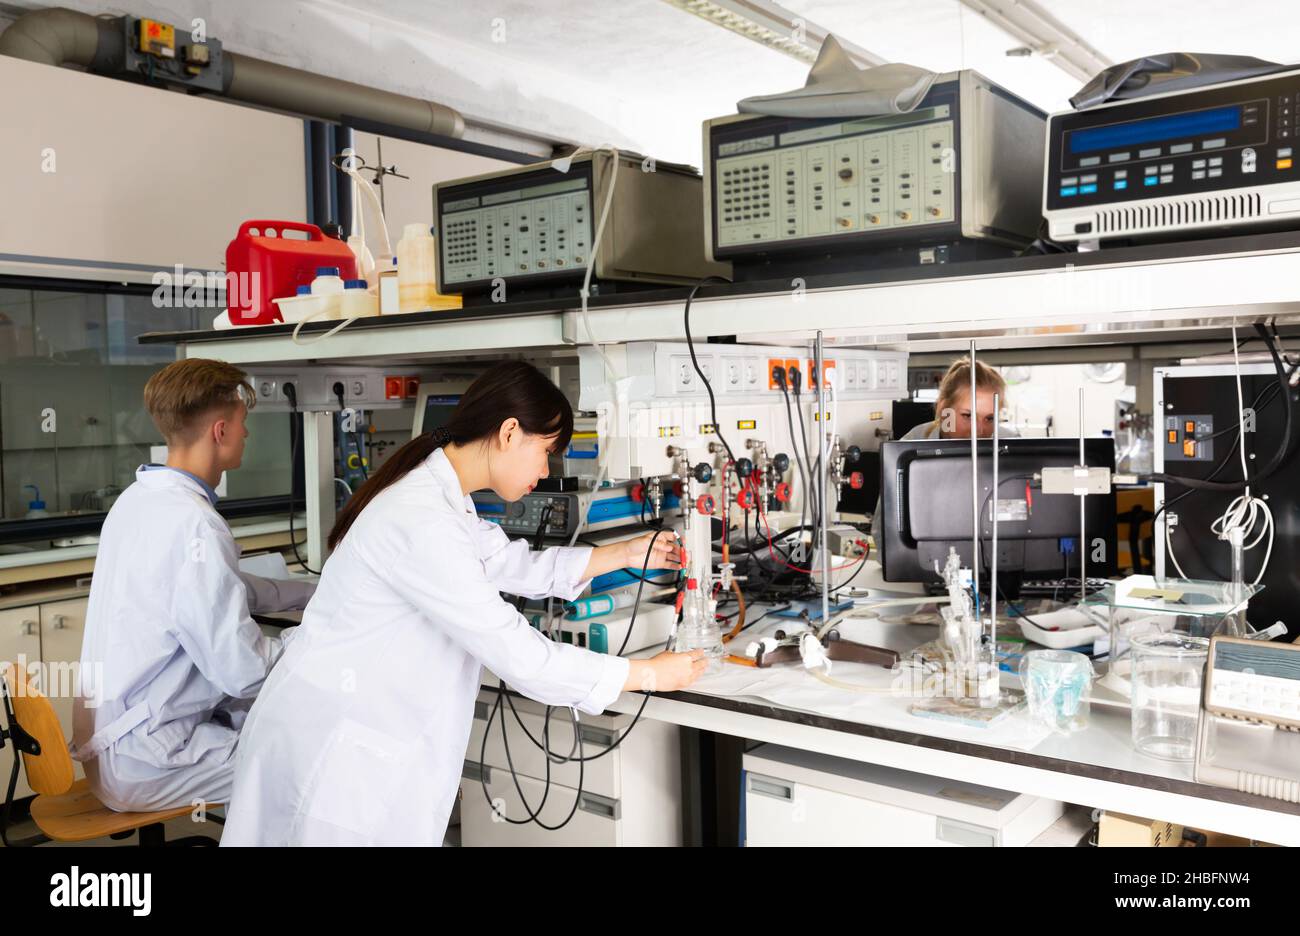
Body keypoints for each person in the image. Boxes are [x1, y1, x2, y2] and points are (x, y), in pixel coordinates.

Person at [222, 362, 706, 846]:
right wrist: (646, 674)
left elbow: (508, 563)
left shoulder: (440, 498)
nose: (545, 470)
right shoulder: (422, 518)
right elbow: (520, 655)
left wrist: (619, 553)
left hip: (351, 742)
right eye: (546, 453)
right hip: (334, 758)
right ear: (510, 432)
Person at [72, 359, 316, 811]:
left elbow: (224, 587)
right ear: (220, 432)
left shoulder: (140, 499)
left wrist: (315, 594)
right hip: (146, 760)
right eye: (243, 425)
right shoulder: (196, 523)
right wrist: (316, 637)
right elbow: (244, 671)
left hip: (116, 743)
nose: (247, 435)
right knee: (319, 762)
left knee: (278, 722)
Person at [872, 357, 1017, 535]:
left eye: (989, 418)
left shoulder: (1011, 447)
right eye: (968, 416)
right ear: (944, 410)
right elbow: (883, 530)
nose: (979, 430)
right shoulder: (910, 449)